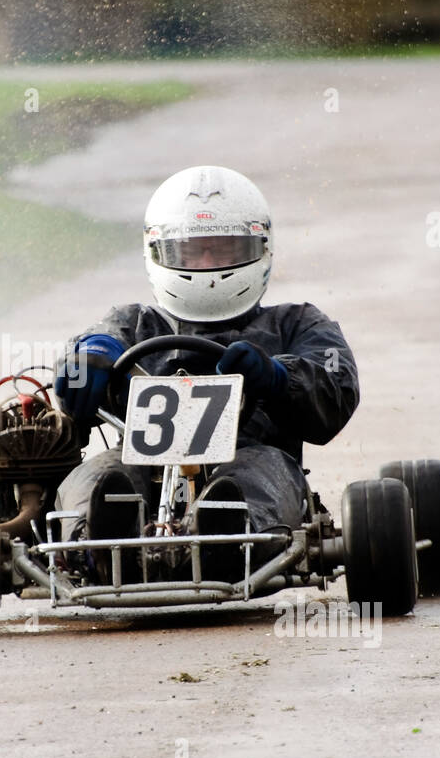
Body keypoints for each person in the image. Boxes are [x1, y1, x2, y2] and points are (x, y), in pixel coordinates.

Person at [52, 165, 359, 581]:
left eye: (225, 249)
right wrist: (88, 360)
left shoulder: (295, 323)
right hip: (140, 466)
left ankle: (230, 540)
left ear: (260, 248)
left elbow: (335, 385)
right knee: (103, 475)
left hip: (251, 455)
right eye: (194, 252)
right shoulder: (133, 323)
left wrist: (276, 376)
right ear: (160, 252)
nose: (209, 264)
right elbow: (86, 350)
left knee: (251, 479)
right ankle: (100, 546)